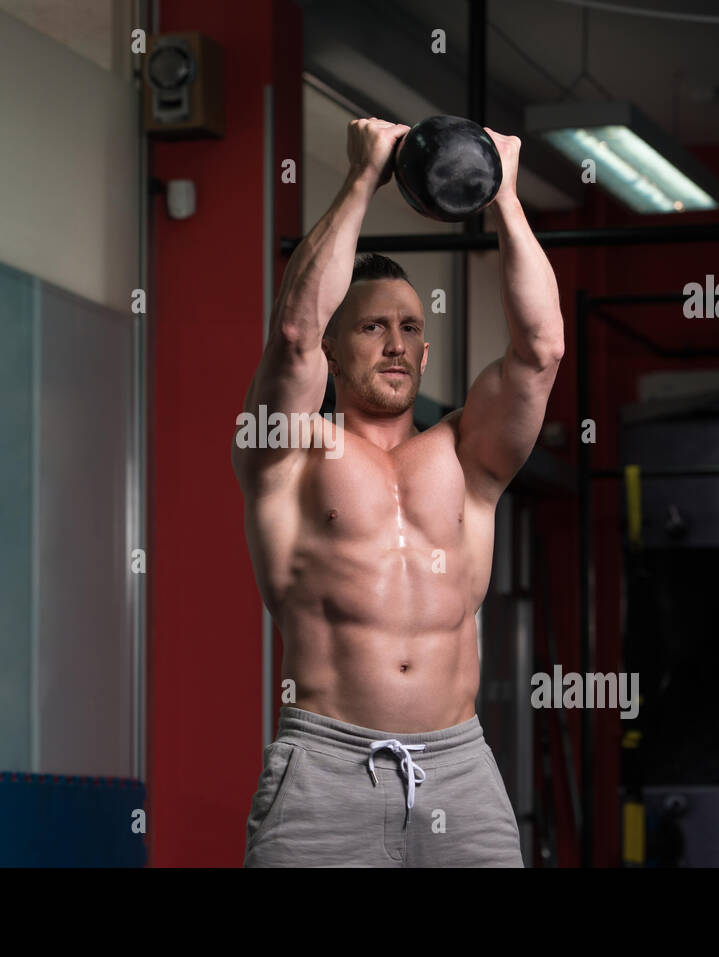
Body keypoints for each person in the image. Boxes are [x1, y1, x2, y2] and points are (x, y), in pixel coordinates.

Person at [231, 117, 563, 866]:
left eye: (410, 328)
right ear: (335, 349)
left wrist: (505, 195)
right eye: (372, 326)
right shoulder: (286, 456)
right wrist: (361, 178)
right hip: (323, 774)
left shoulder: (465, 452)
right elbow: (290, 336)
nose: (395, 343)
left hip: (460, 773)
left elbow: (541, 349)